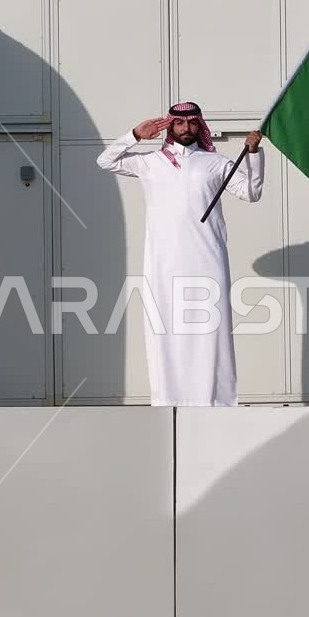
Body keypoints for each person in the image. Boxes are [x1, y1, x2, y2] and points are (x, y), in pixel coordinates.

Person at [96, 101, 264, 406]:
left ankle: (216, 407)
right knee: (166, 337)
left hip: (208, 264)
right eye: (179, 123)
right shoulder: (150, 162)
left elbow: (251, 192)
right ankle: (168, 406)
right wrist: (134, 135)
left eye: (191, 123)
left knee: (210, 338)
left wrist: (253, 155)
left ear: (200, 126)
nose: (186, 128)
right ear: (171, 127)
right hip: (163, 267)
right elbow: (105, 161)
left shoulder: (216, 163)